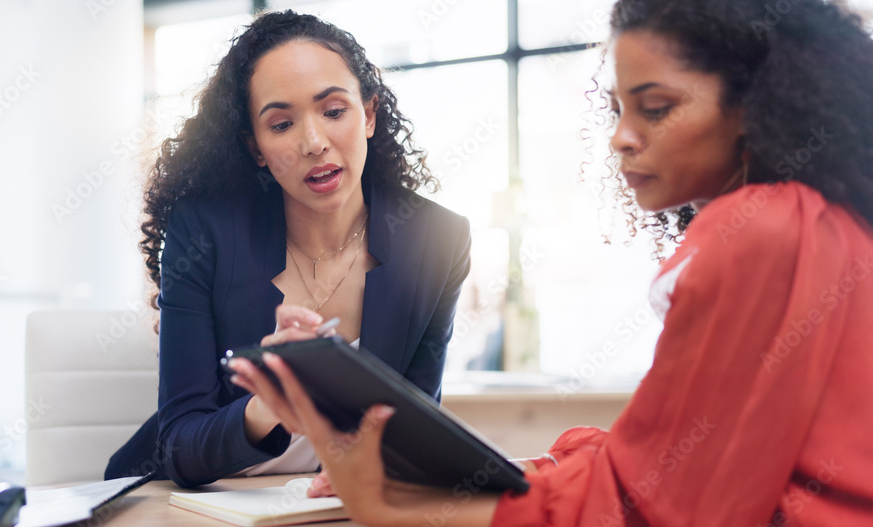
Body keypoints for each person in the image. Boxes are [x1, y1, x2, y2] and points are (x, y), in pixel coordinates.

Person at [229, 0, 873, 524]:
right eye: (617, 109)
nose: (621, 136)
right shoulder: (814, 220)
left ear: (753, 108)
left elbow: (667, 504)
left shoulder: (759, 230)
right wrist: (527, 473)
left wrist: (398, 508)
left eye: (656, 108)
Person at [104, 10, 471, 489]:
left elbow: (414, 434)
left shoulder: (437, 240)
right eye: (281, 124)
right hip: (185, 504)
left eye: (334, 111)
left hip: (331, 509)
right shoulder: (204, 231)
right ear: (256, 146)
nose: (314, 142)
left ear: (370, 115)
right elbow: (179, 446)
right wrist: (266, 405)